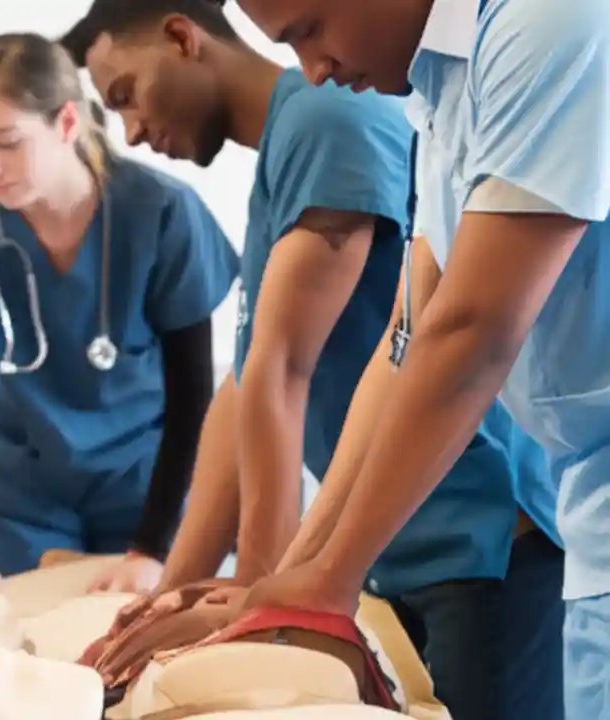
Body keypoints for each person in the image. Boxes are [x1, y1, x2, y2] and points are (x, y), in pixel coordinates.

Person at [61, 2, 564, 717]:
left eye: (125, 97)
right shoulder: (350, 122)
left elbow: (311, 367)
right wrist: (248, 582)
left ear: (181, 37)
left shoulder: (337, 114)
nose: (133, 132)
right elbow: (344, 356)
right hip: (402, 542)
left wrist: (286, 588)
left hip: (473, 535)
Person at [227, 0, 609, 716]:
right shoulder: (433, 89)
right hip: (589, 498)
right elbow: (411, 333)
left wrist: (332, 579)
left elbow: (473, 330)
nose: (314, 70)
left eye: (308, 31)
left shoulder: (550, 18)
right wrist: (295, 573)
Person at [0, 32, 238, 593]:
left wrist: (153, 548)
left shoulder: (161, 213)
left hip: (149, 489)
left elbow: (193, 402)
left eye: (7, 142)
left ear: (67, 123)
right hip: (23, 501)